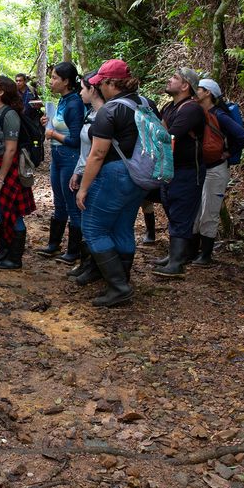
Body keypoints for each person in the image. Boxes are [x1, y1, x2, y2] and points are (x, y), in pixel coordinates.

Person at [75, 59, 149, 306]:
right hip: (140, 175)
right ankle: (121, 280)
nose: (98, 89)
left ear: (110, 83)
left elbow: (97, 154)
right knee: (123, 228)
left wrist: (83, 188)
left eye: (101, 84)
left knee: (94, 229)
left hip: (115, 174)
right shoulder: (147, 104)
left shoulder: (110, 110)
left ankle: (118, 286)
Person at [190, 78, 244, 267]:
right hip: (202, 169)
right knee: (197, 211)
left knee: (209, 212)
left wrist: (227, 153)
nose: (196, 92)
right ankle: (192, 252)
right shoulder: (201, 113)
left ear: (208, 93)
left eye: (199, 89)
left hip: (216, 170)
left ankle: (206, 255)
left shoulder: (220, 115)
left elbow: (243, 137)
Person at [0, 76, 36, 270]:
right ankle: (3, 252)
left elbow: (11, 150)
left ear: (1, 92)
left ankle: (14, 258)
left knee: (11, 212)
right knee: (0, 212)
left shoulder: (9, 114)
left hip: (6, 169)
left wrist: (1, 179)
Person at [152, 67, 206, 278]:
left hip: (188, 170)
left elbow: (168, 136)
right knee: (171, 208)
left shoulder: (191, 109)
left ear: (185, 86)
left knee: (182, 212)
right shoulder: (170, 107)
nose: (169, 80)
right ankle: (176, 255)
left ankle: (177, 263)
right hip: (171, 169)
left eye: (175, 78)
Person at [37, 62, 85, 267]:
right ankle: (53, 244)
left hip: (69, 158)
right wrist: (49, 123)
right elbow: (61, 126)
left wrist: (53, 133)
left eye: (55, 78)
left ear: (66, 82)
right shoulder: (63, 100)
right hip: (57, 157)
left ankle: (74, 251)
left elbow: (75, 139)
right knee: (59, 201)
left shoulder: (74, 104)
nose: (51, 81)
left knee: (72, 203)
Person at [68, 71, 102, 281]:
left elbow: (96, 153)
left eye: (83, 88)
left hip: (97, 176)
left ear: (93, 90)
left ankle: (95, 268)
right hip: (84, 170)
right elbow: (84, 149)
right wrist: (77, 172)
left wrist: (84, 181)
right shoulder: (90, 113)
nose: (80, 92)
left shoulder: (104, 116)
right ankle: (86, 263)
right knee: (85, 220)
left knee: (93, 223)